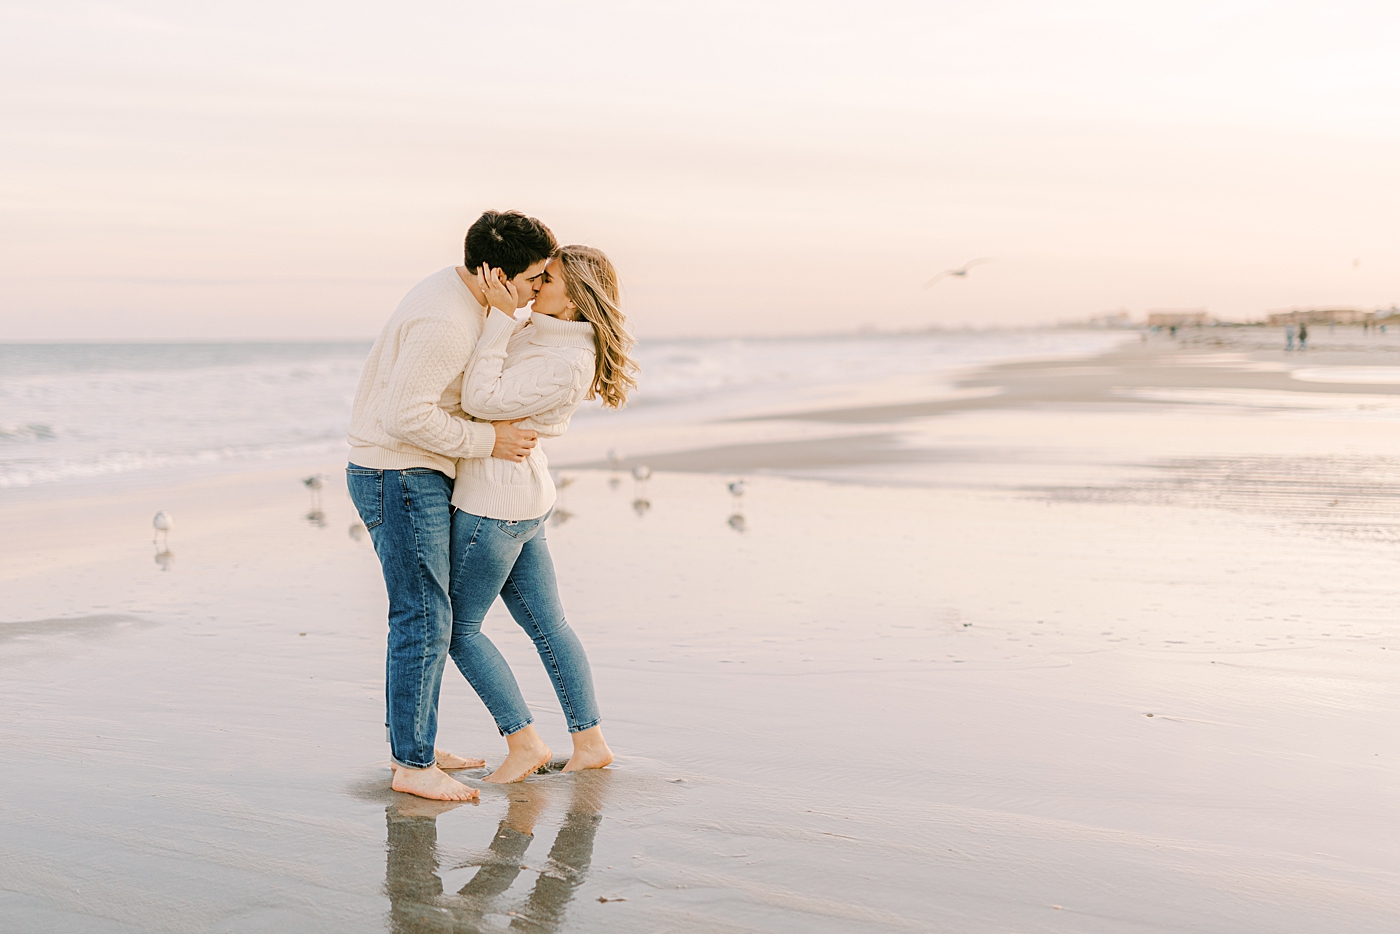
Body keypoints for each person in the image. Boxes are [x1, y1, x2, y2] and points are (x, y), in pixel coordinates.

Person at [346, 210, 556, 801]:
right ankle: (412, 765)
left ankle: (413, 742)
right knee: (424, 617)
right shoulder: (447, 319)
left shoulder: (464, 297)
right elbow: (405, 417)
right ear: (496, 273)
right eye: (533, 278)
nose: (537, 291)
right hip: (400, 474)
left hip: (405, 471)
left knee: (423, 614)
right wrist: (490, 441)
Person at [446, 245, 638, 783]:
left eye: (546, 278)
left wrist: (500, 317)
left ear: (574, 297)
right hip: (519, 498)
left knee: (459, 631)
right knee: (549, 626)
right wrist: (504, 317)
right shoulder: (545, 333)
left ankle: (524, 742)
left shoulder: (566, 360)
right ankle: (590, 743)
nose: (533, 285)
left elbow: (480, 398)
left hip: (495, 505)